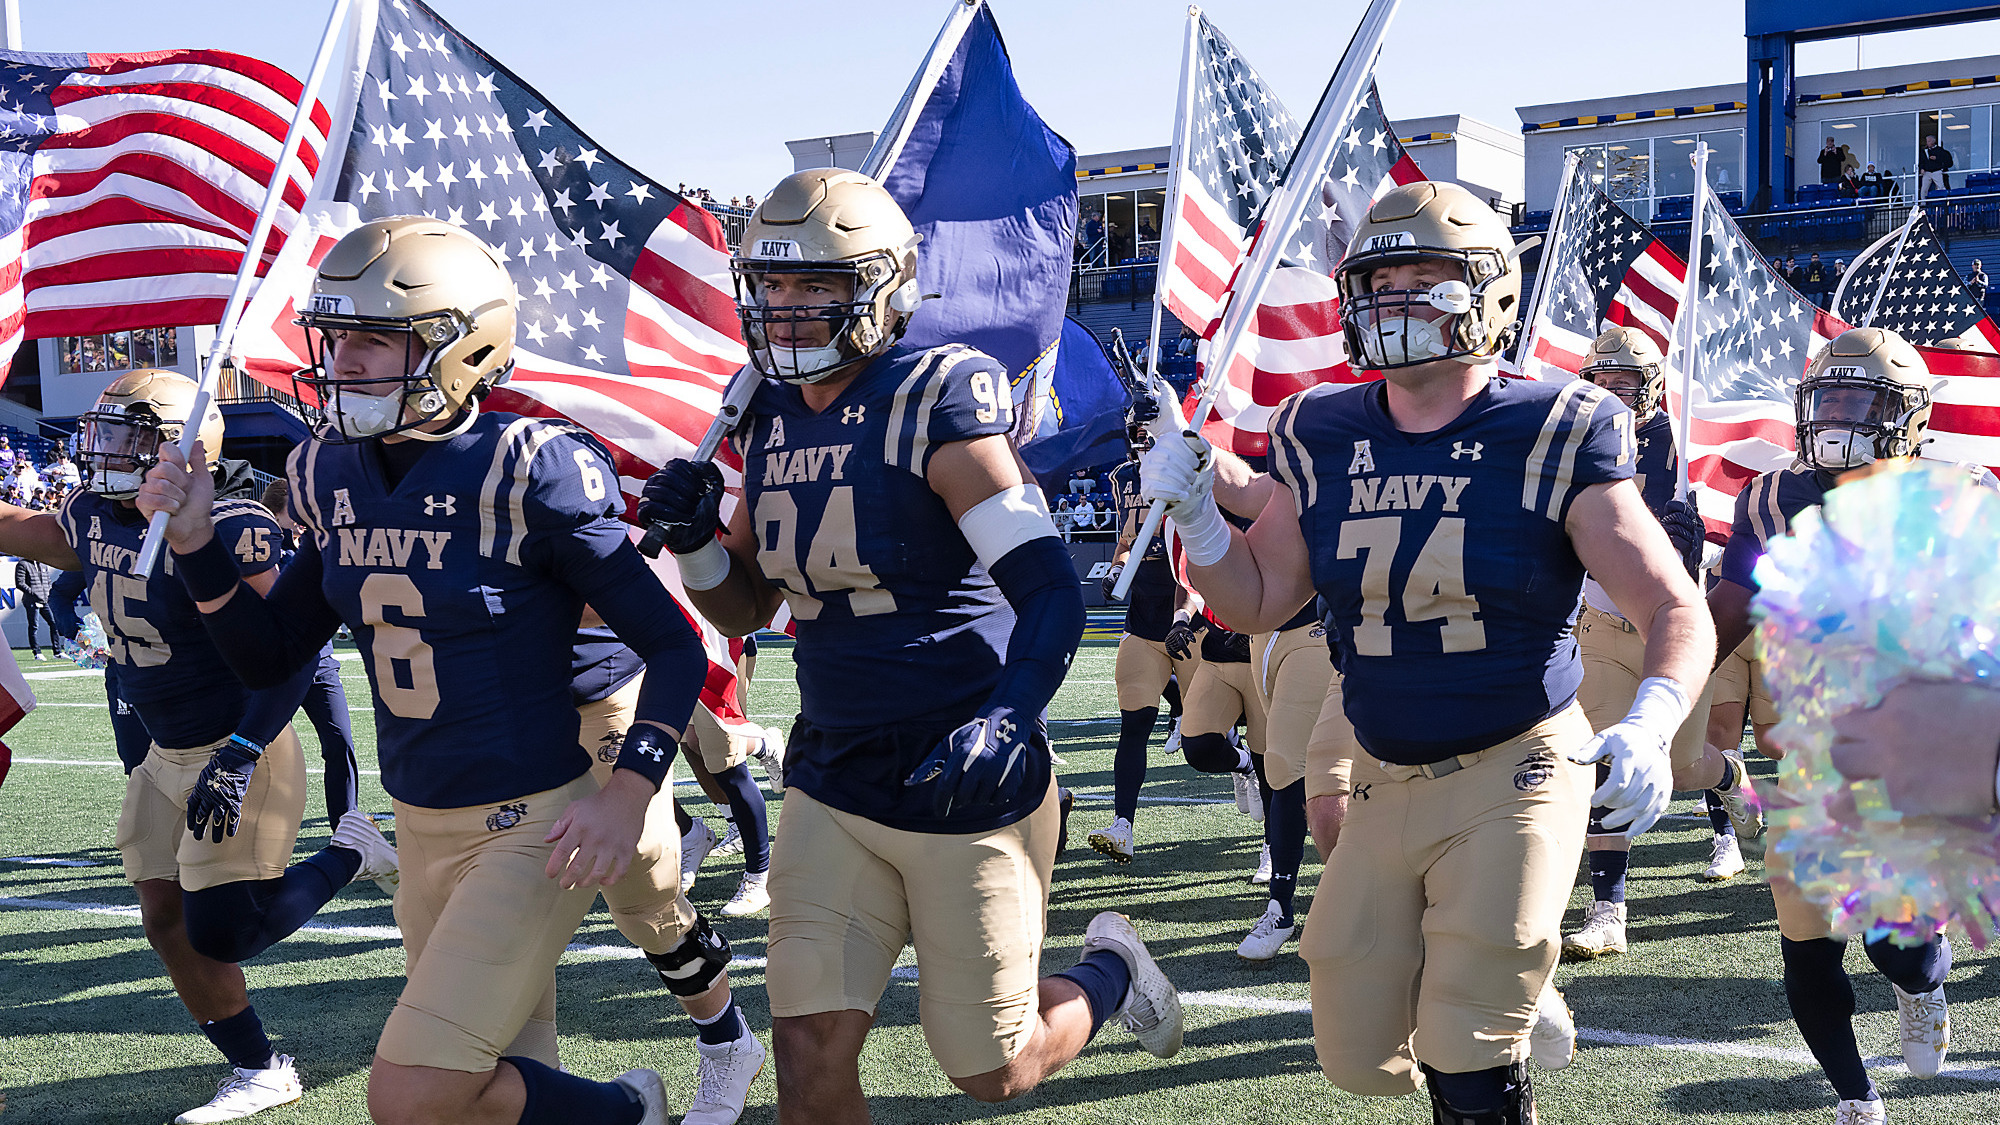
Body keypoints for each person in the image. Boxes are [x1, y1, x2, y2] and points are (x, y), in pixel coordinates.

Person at [138, 216, 755, 1125]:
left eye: (374, 339)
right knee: (481, 1094)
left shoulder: (525, 468)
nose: (342, 360)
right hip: (418, 823)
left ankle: (633, 1109)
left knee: (412, 1094)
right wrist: (195, 545)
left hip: (525, 826)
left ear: (459, 345)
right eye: (337, 336)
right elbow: (271, 652)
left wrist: (629, 789)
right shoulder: (325, 470)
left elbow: (669, 642)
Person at [1142, 180, 1712, 1122]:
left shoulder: (1556, 425)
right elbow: (1255, 601)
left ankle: (1497, 1017)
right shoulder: (1320, 429)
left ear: (1488, 292)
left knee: (1465, 1050)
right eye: (1380, 276)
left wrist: (1651, 723)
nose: (1396, 295)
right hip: (1382, 770)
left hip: (1517, 762)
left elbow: (1672, 605)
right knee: (1358, 1054)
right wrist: (1199, 515)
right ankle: (1517, 1002)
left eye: (1424, 275)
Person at [639, 168, 1181, 1121]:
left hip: (962, 767)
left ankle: (1107, 970)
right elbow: (746, 604)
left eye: (817, 285)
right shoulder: (761, 407)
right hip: (833, 771)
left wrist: (1011, 714)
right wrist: (695, 542)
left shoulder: (939, 395)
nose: (790, 308)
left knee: (992, 1067)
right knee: (808, 1053)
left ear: (880, 287)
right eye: (773, 285)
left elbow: (1048, 586)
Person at [0, 368, 395, 1124]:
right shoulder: (89, 512)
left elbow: (288, 654)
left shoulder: (238, 527)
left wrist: (243, 749)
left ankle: (352, 846)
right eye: (104, 432)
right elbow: (20, 526)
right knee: (163, 918)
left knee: (230, 928)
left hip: (238, 743)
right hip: (162, 751)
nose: (107, 450)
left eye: (130, 436)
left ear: (185, 450)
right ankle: (260, 1067)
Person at [1708, 327, 1971, 1125]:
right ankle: (1857, 1097)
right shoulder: (1769, 497)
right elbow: (1728, 606)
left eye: (1862, 402)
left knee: (1899, 945)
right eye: (1829, 400)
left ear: (1911, 416)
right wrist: (1668, 685)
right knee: (1806, 936)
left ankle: (1922, 981)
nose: (1840, 419)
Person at [1560, 328, 1753, 964]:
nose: (1609, 394)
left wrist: (1692, 534)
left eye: (1623, 384)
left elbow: (1729, 522)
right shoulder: (1573, 441)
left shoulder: (1690, 443)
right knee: (1606, 759)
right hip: (1599, 622)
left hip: (1676, 627)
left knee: (1679, 769)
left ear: (1650, 389)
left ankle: (1730, 778)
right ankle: (1608, 906)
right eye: (1600, 381)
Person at [1092, 401, 1198, 863]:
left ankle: (1242, 768)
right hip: (1142, 618)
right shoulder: (1122, 479)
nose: (1139, 437)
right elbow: (1125, 542)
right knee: (1134, 724)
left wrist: (1187, 614)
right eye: (1134, 429)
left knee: (1208, 741)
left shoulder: (1189, 467)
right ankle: (1123, 825)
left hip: (1192, 617)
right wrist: (1116, 570)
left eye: (1145, 427)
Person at [13, 553, 56, 659]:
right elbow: (20, 583)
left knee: (54, 623)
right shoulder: (22, 564)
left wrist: (47, 593)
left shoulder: (43, 564)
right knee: (34, 626)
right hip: (31, 601)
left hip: (45, 600)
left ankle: (57, 652)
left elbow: (48, 581)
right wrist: (34, 594)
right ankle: (37, 652)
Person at [1920, 134, 1954, 199]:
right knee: (1924, 189)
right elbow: (1922, 161)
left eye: (1929, 141)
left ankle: (1944, 200)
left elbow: (1947, 162)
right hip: (1927, 172)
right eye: (1927, 141)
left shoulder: (1940, 150)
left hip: (1937, 171)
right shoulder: (1925, 151)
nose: (1927, 143)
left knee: (1941, 187)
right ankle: (1923, 203)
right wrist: (1922, 168)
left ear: (1933, 141)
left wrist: (1936, 158)